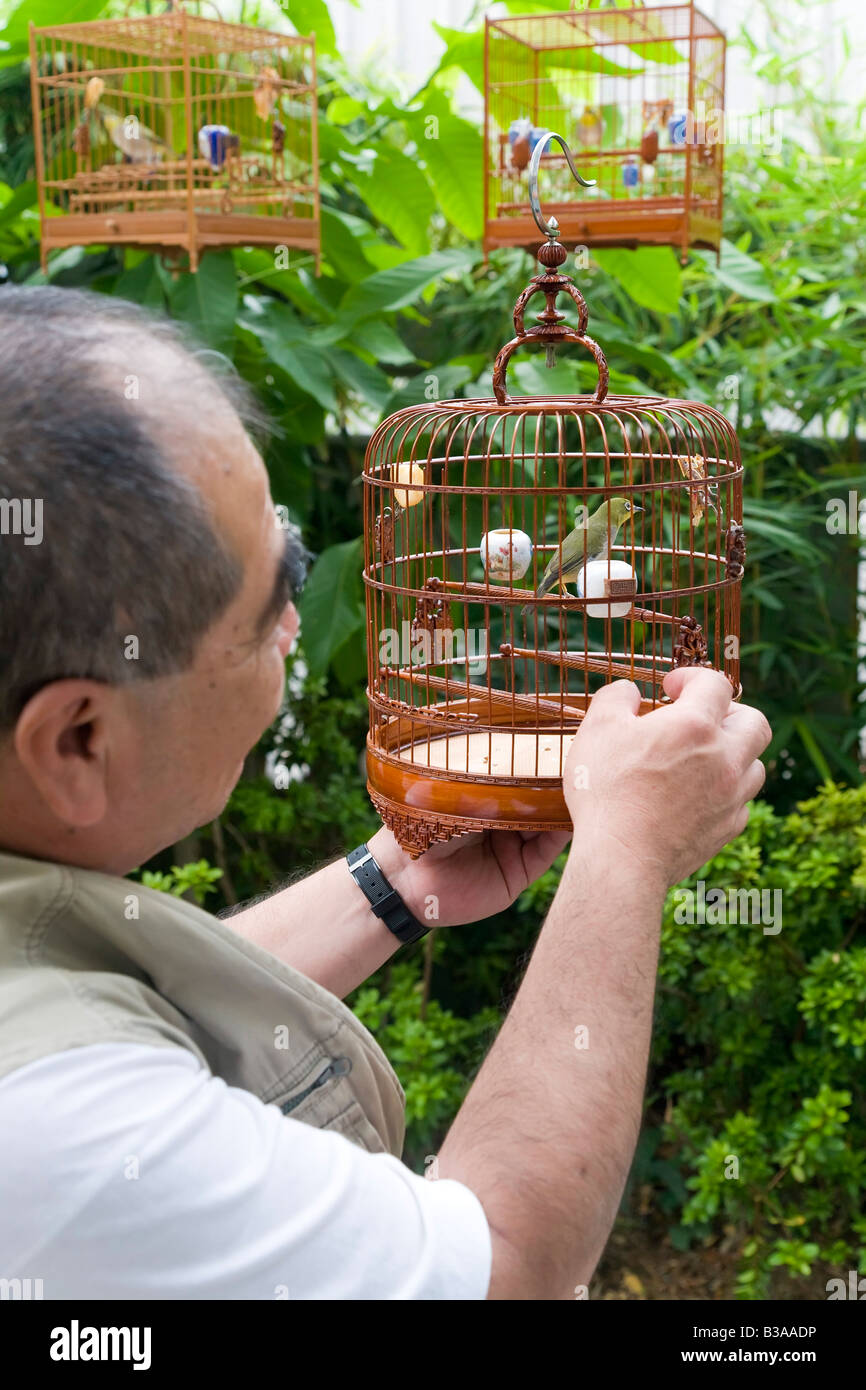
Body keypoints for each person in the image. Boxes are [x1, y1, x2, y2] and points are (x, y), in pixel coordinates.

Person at [0, 287, 770, 1301]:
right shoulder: (68, 1140)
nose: (295, 629)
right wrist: (624, 856)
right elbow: (506, 1269)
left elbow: (138, 1014)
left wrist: (393, 882)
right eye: (274, 598)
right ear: (78, 740)